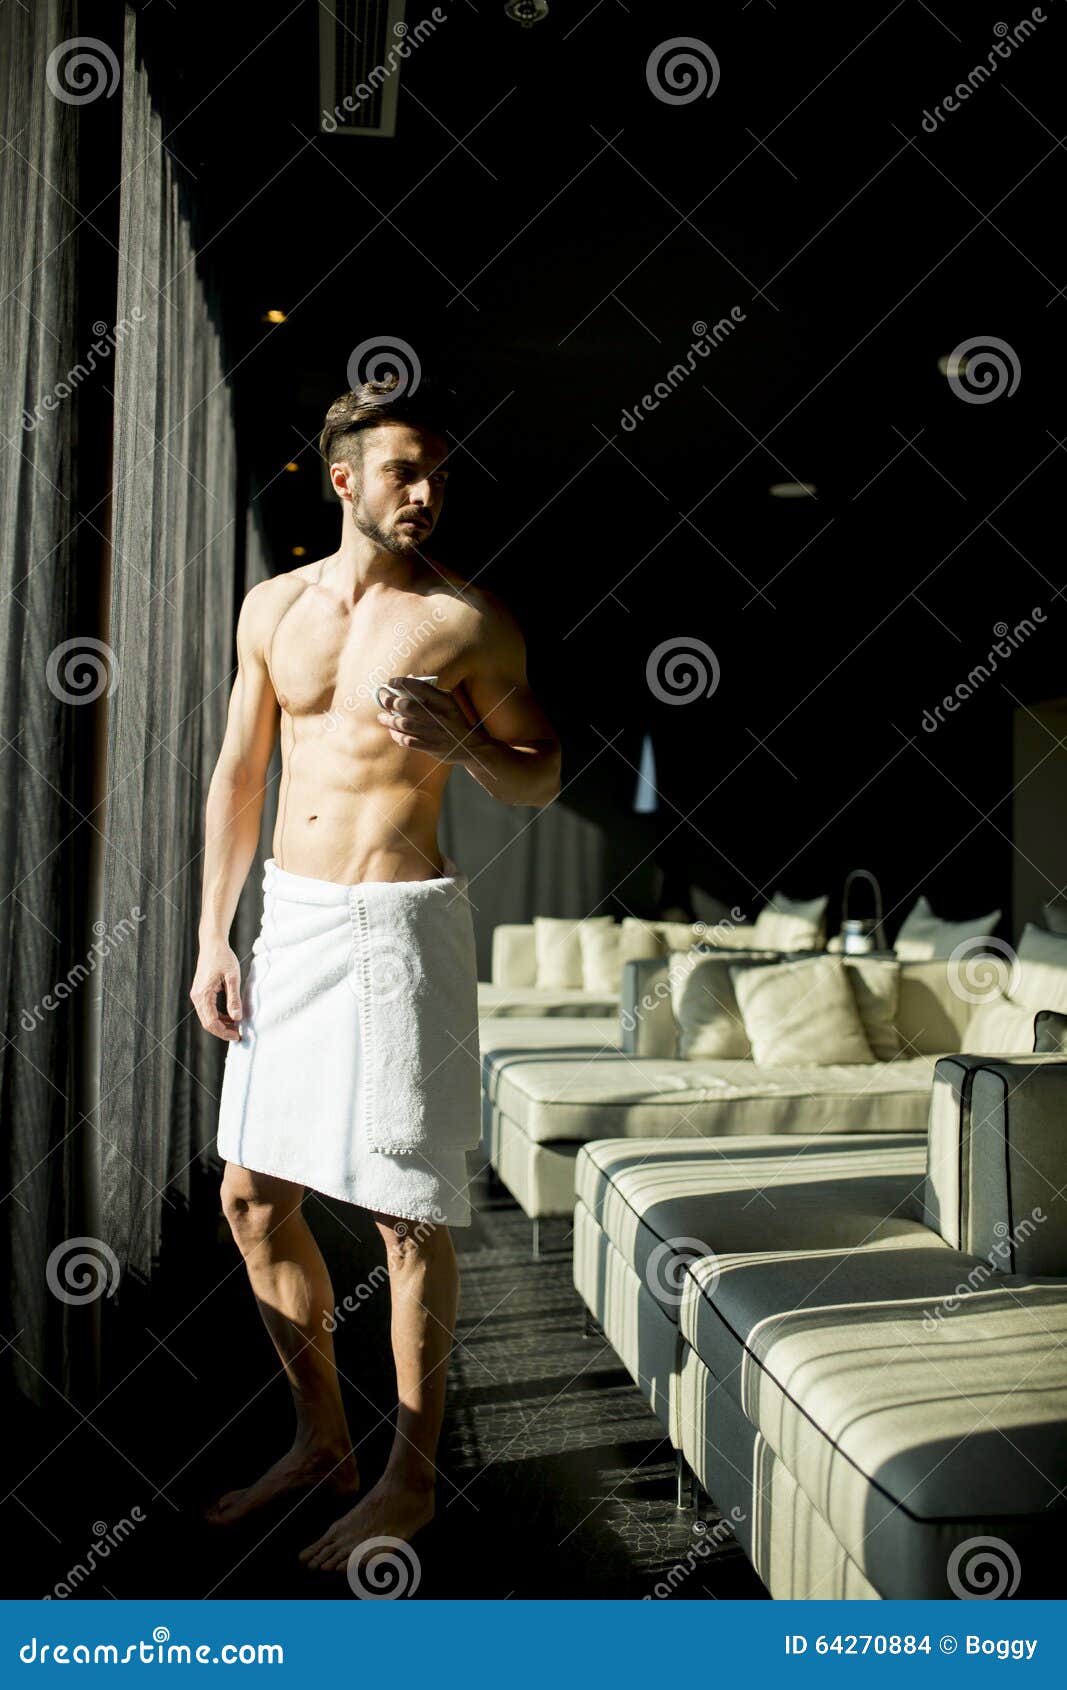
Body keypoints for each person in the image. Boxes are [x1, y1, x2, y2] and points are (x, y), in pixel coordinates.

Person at [189, 374, 561, 1574]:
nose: (427, 491)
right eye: (405, 470)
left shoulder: (468, 620)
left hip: (399, 928)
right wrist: (212, 936)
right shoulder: (273, 609)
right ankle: (322, 1443)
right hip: (290, 923)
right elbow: (240, 774)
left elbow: (541, 770)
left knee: (405, 1216)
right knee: (253, 1201)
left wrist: (466, 741)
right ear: (342, 478)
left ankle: (410, 1481)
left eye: (439, 472)